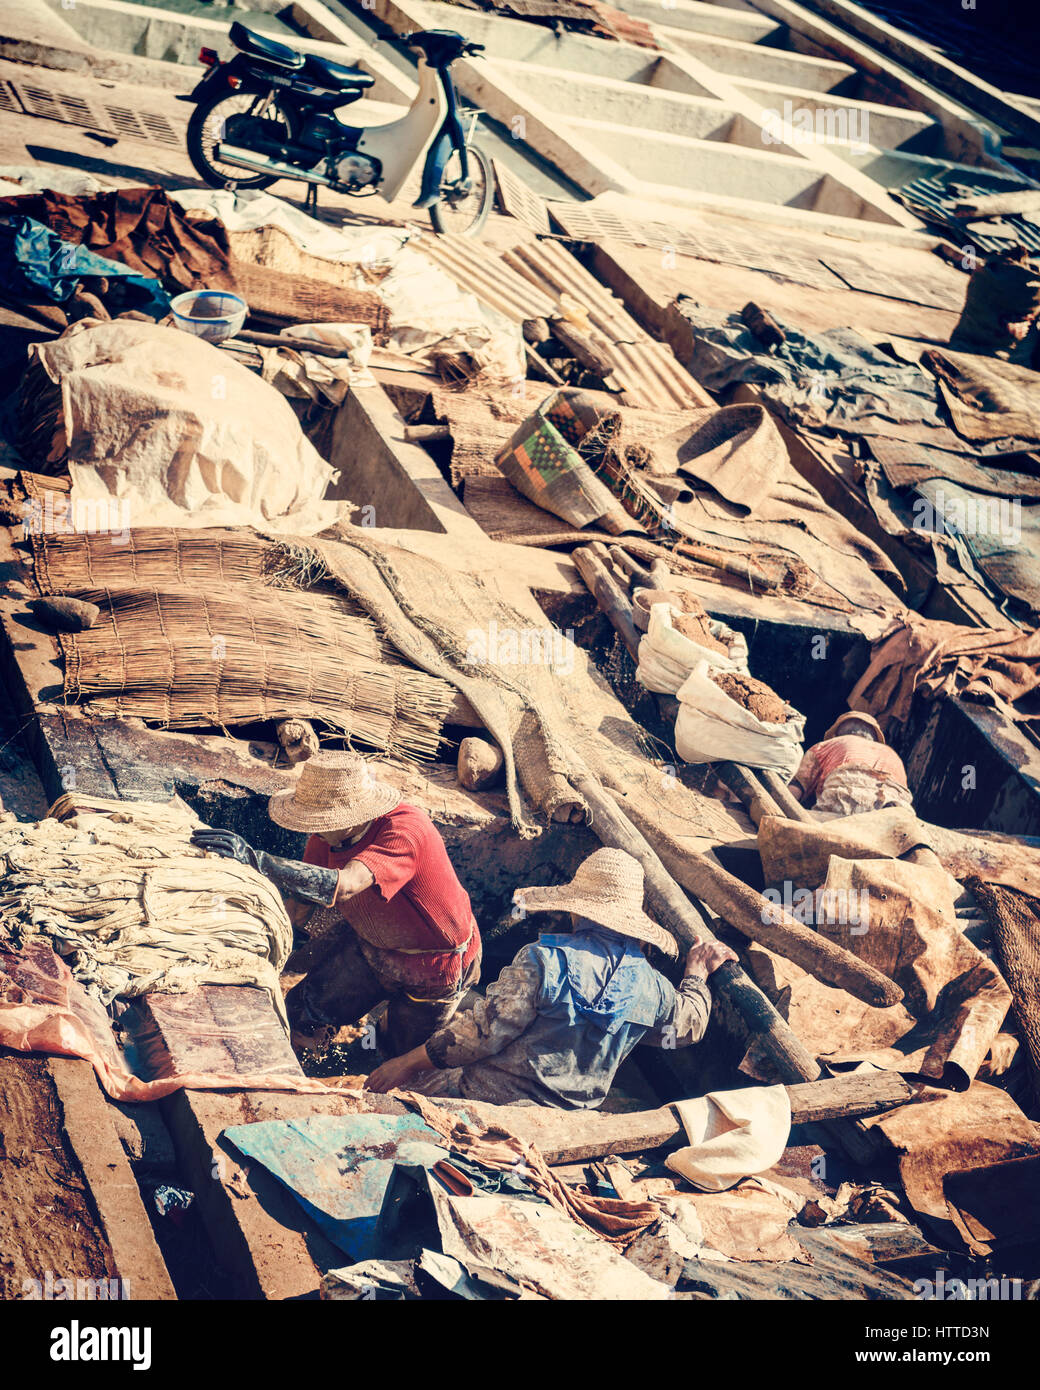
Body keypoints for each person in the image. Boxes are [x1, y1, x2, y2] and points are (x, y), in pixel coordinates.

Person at [364, 847, 737, 1109]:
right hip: (572, 1112)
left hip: (492, 1098)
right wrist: (696, 975)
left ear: (576, 911)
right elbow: (687, 1028)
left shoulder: (543, 961)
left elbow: (479, 1038)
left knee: (417, 1071)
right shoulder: (653, 988)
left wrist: (406, 1063)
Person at [191, 751, 480, 1055]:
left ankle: (375, 1058)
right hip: (373, 946)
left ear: (354, 816)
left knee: (398, 1051)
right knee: (303, 1011)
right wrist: (273, 950)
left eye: (319, 821)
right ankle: (305, 1060)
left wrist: (257, 860)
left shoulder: (405, 830)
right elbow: (303, 898)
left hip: (435, 966)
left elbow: (346, 885)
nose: (313, 828)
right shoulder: (327, 836)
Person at [790, 710, 912, 817]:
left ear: (837, 734)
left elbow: (799, 785)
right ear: (874, 738)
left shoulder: (827, 745)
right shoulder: (892, 754)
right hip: (896, 815)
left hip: (842, 810)